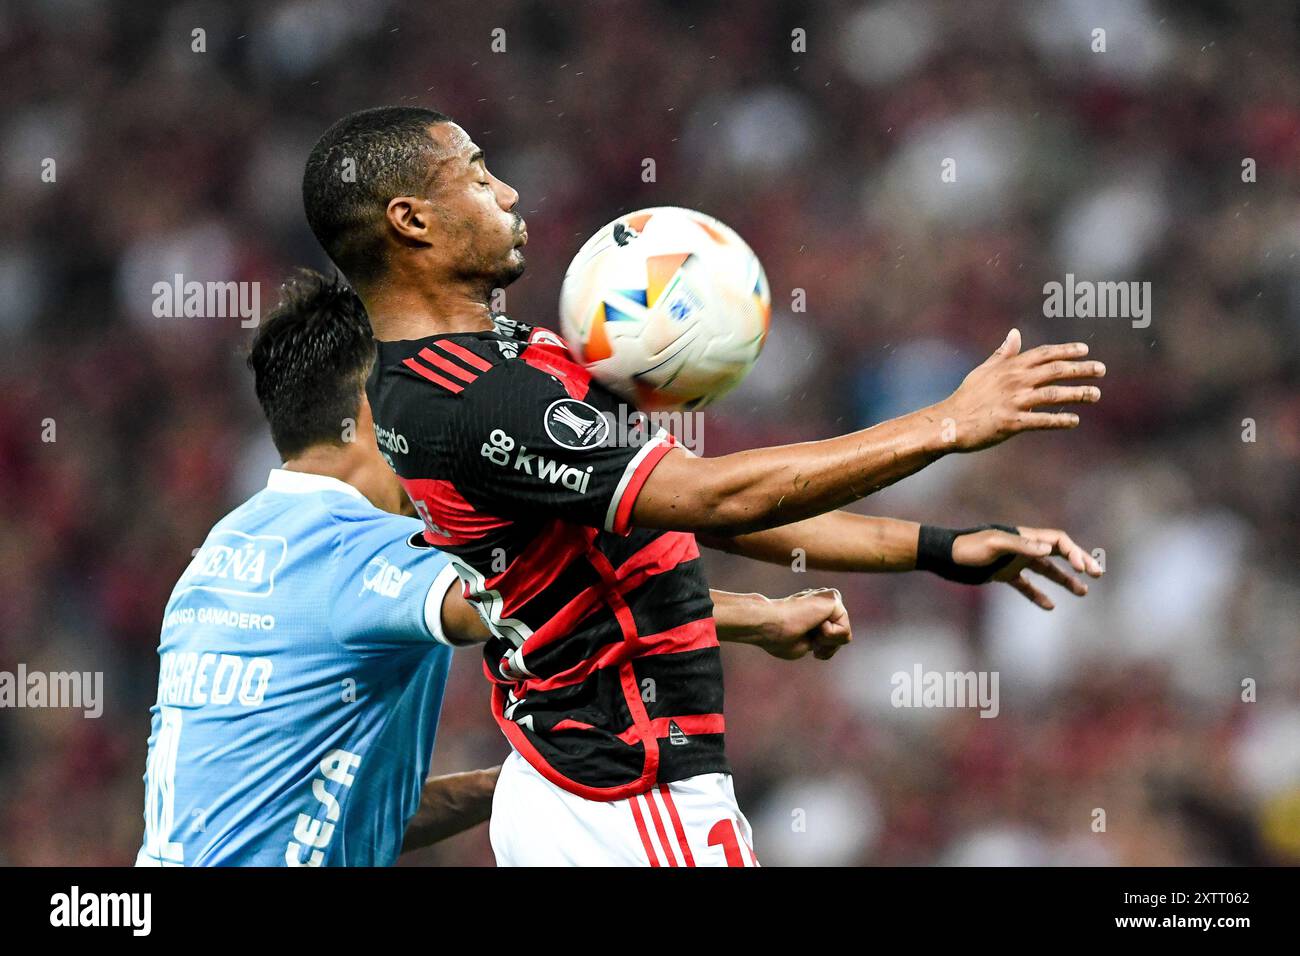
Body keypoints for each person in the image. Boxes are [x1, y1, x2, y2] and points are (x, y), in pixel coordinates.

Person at [300, 106, 1104, 867]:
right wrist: (949, 424)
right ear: (411, 220)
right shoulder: (471, 399)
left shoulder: (484, 362)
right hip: (625, 788)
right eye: (477, 176)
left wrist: (938, 547)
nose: (507, 193)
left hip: (574, 783)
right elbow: (720, 497)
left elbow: (690, 513)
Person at [136, 269, 854, 866]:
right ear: (367, 404)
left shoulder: (219, 561)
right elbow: (541, 599)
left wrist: (518, 785)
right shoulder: (354, 551)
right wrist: (763, 618)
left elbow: (325, 812)